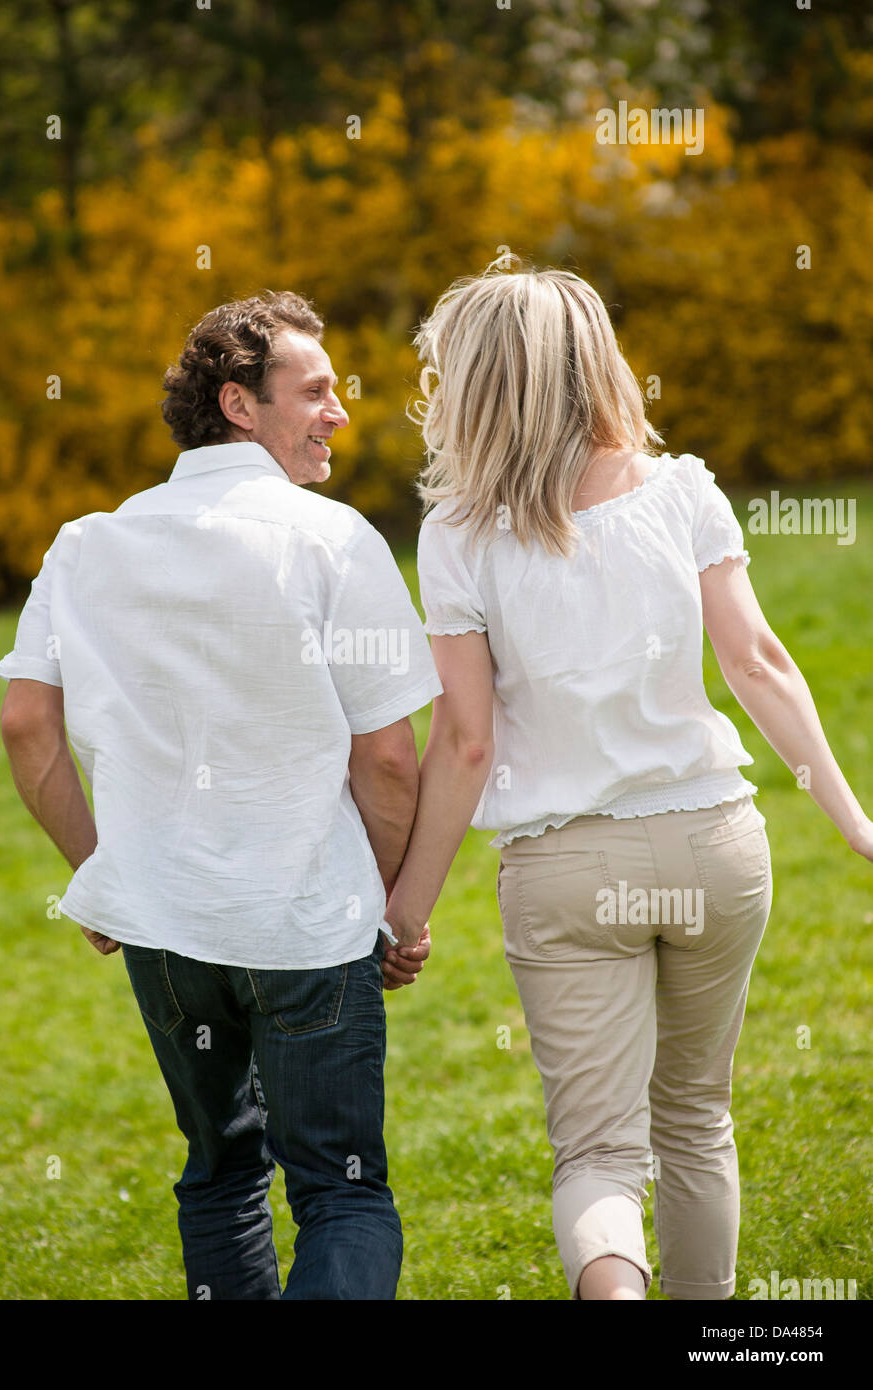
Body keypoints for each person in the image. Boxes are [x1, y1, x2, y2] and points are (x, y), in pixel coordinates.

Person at [382, 261, 873, 1300]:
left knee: (598, 1155)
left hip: (566, 867)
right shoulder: (682, 489)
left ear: (473, 384)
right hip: (712, 844)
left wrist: (407, 911)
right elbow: (760, 666)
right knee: (696, 1117)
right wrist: (855, 821)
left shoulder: (456, 534)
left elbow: (463, 741)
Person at [0, 290, 439, 1300]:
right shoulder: (333, 540)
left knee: (220, 1175)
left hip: (163, 927)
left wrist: (101, 872)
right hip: (307, 926)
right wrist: (376, 900)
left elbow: (27, 725)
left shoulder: (85, 543)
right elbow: (389, 760)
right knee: (343, 1192)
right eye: (315, 391)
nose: (339, 413)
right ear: (241, 404)